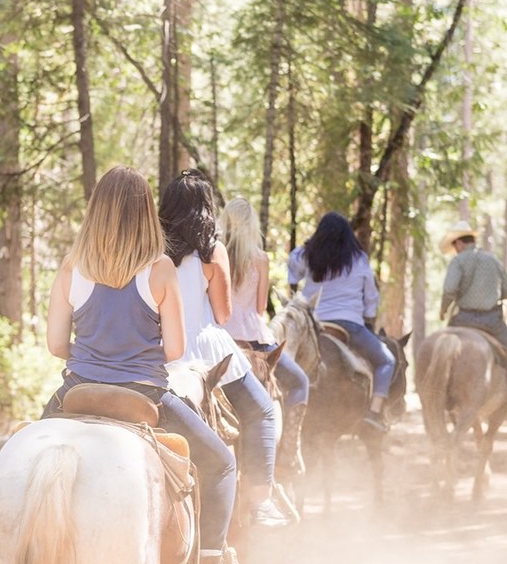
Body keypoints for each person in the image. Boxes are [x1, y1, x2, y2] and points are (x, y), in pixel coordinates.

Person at [43, 165, 253, 564]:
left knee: (29, 456)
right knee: (221, 463)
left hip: (77, 390)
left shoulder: (72, 267)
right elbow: (175, 350)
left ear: (96, 210)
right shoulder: (159, 270)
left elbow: (56, 345)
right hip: (145, 396)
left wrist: (95, 355)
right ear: (145, 213)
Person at [157, 171, 287, 529]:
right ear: (206, 209)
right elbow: (223, 314)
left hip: (160, 351)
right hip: (204, 351)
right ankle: (261, 502)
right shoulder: (211, 251)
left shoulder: (151, 251)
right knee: (263, 411)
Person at [219, 197, 311, 487]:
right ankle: (289, 454)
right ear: (252, 225)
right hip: (254, 339)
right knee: (300, 382)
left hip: (221, 341)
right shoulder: (260, 259)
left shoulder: (215, 254)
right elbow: (259, 310)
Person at [297, 212, 397, 433]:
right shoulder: (359, 260)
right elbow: (371, 298)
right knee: (387, 360)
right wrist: (368, 316)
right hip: (349, 326)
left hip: (312, 325)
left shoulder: (307, 255)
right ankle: (374, 413)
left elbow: (293, 272)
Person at [438, 226, 507, 421]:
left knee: (441, 354)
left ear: (459, 243)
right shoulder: (493, 260)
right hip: (492, 321)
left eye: (454, 246)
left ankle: (439, 397)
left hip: (463, 320)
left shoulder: (458, 261)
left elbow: (449, 289)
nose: (455, 250)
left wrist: (444, 309)